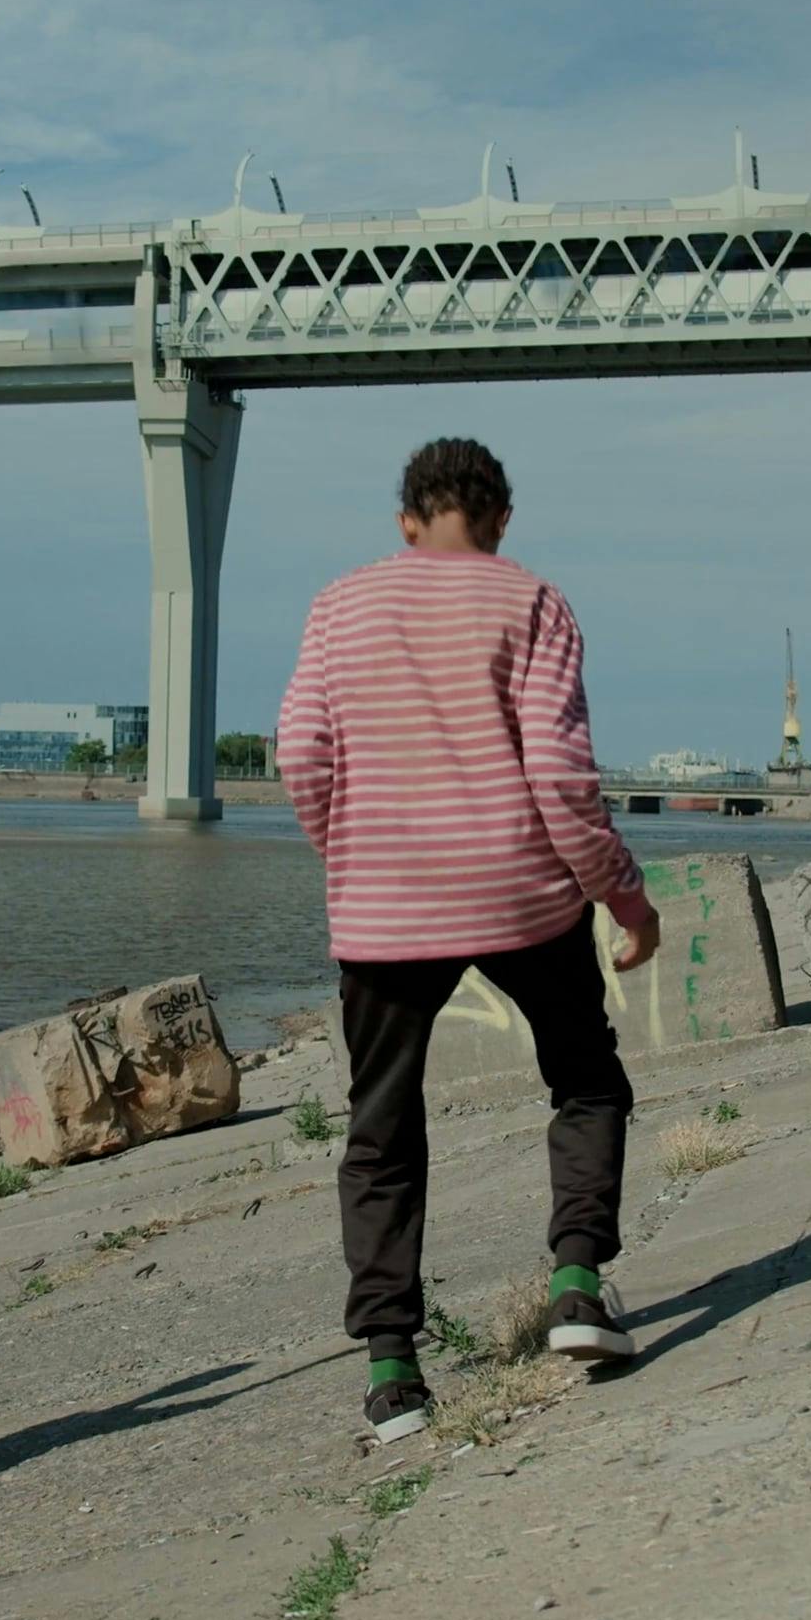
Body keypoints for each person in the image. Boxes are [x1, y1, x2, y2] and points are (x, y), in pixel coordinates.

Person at [277, 437, 662, 1442]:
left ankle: (394, 1373)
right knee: (585, 1080)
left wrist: (351, 855)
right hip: (522, 892)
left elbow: (301, 755)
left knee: (381, 1129)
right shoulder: (532, 601)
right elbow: (564, 778)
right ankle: (577, 1289)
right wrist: (625, 898)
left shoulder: (338, 605)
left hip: (385, 906)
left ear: (409, 520)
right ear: (499, 519)